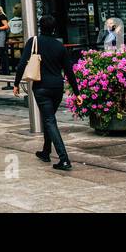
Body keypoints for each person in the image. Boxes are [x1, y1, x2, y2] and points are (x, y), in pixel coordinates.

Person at [14, 15, 80, 171]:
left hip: (41, 87)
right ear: (54, 29)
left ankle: (64, 159)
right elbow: (69, 72)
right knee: (49, 118)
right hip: (57, 87)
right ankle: (45, 151)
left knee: (49, 120)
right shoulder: (60, 47)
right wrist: (77, 93)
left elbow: (22, 64)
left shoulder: (34, 41)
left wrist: (16, 84)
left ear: (40, 27)